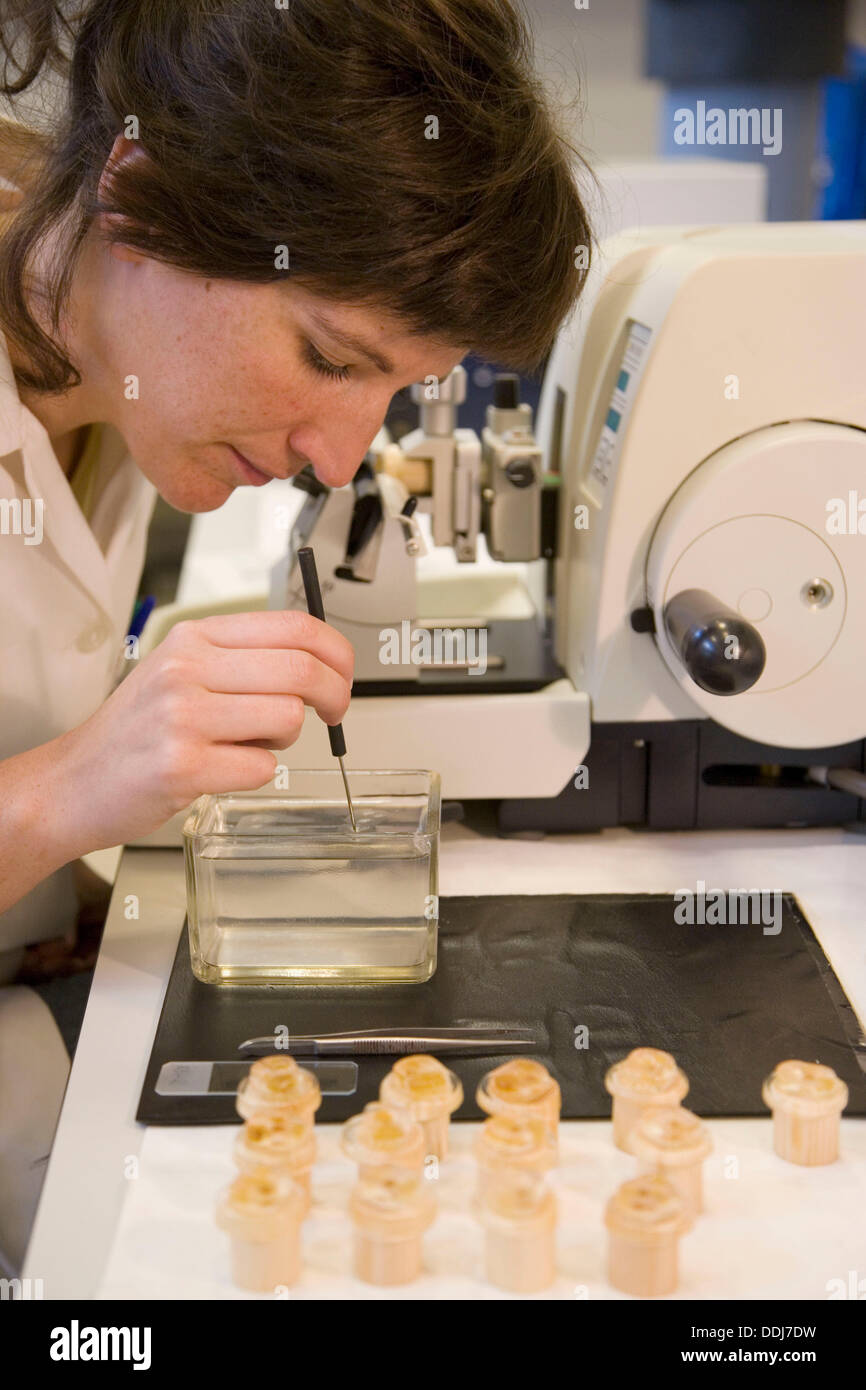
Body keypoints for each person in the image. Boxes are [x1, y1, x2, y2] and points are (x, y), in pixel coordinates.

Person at [0, 0, 592, 1272]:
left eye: (393, 390)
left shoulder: (105, 367)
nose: (337, 455)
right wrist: (58, 796)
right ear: (138, 190)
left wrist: (66, 886)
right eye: (328, 355)